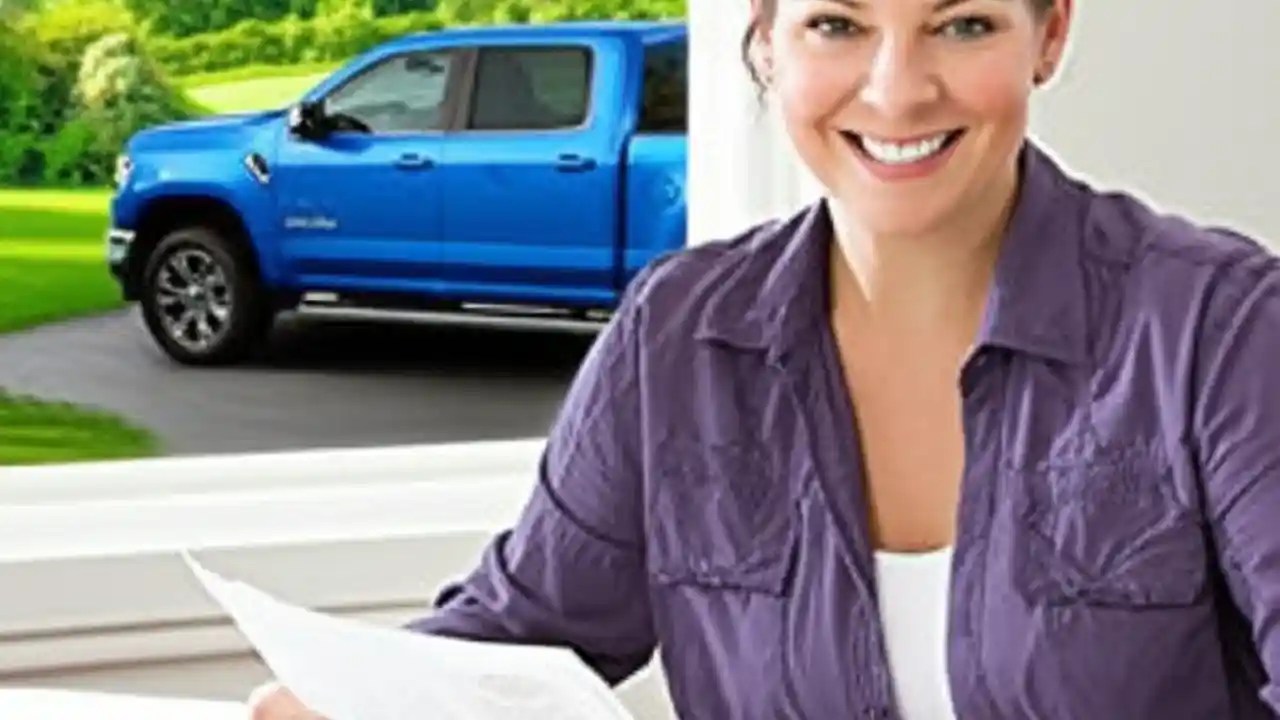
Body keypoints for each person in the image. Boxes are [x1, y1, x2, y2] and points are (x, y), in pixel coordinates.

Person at [251, 0, 1280, 717]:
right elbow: (529, 632)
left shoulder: (1215, 329)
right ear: (767, 38)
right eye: (837, 24)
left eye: (960, 24)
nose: (895, 90)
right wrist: (352, 697)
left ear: (1047, 32)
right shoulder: (677, 336)